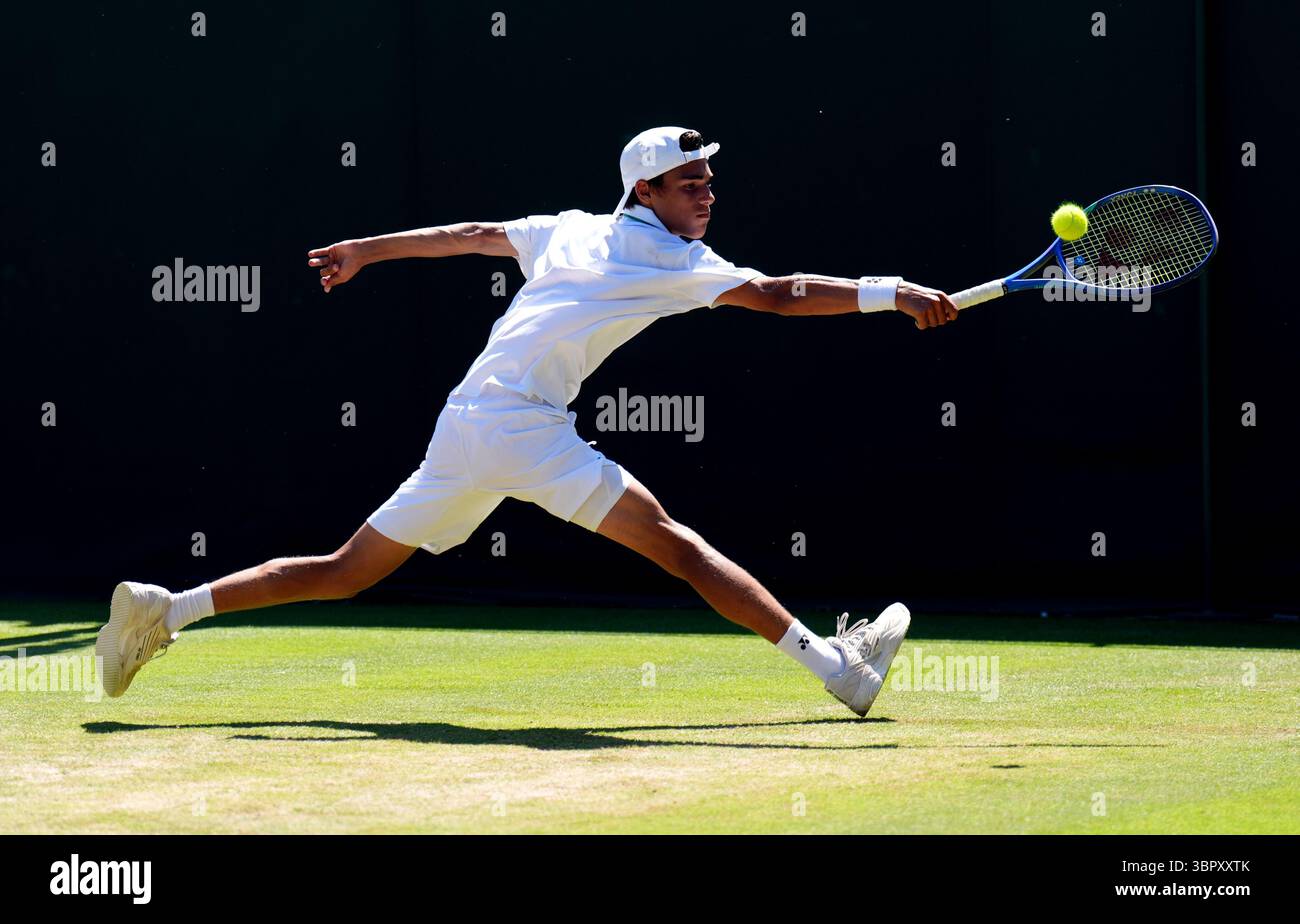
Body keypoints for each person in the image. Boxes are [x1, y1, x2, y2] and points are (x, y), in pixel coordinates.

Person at [96, 126, 959, 717]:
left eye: (710, 181)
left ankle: (164, 612)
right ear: (644, 189)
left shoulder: (570, 230)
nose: (708, 194)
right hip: (518, 427)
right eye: (690, 183)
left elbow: (470, 235)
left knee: (346, 570)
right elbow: (776, 295)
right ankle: (837, 671)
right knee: (679, 547)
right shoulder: (669, 256)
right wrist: (892, 294)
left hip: (465, 424)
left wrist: (367, 249)